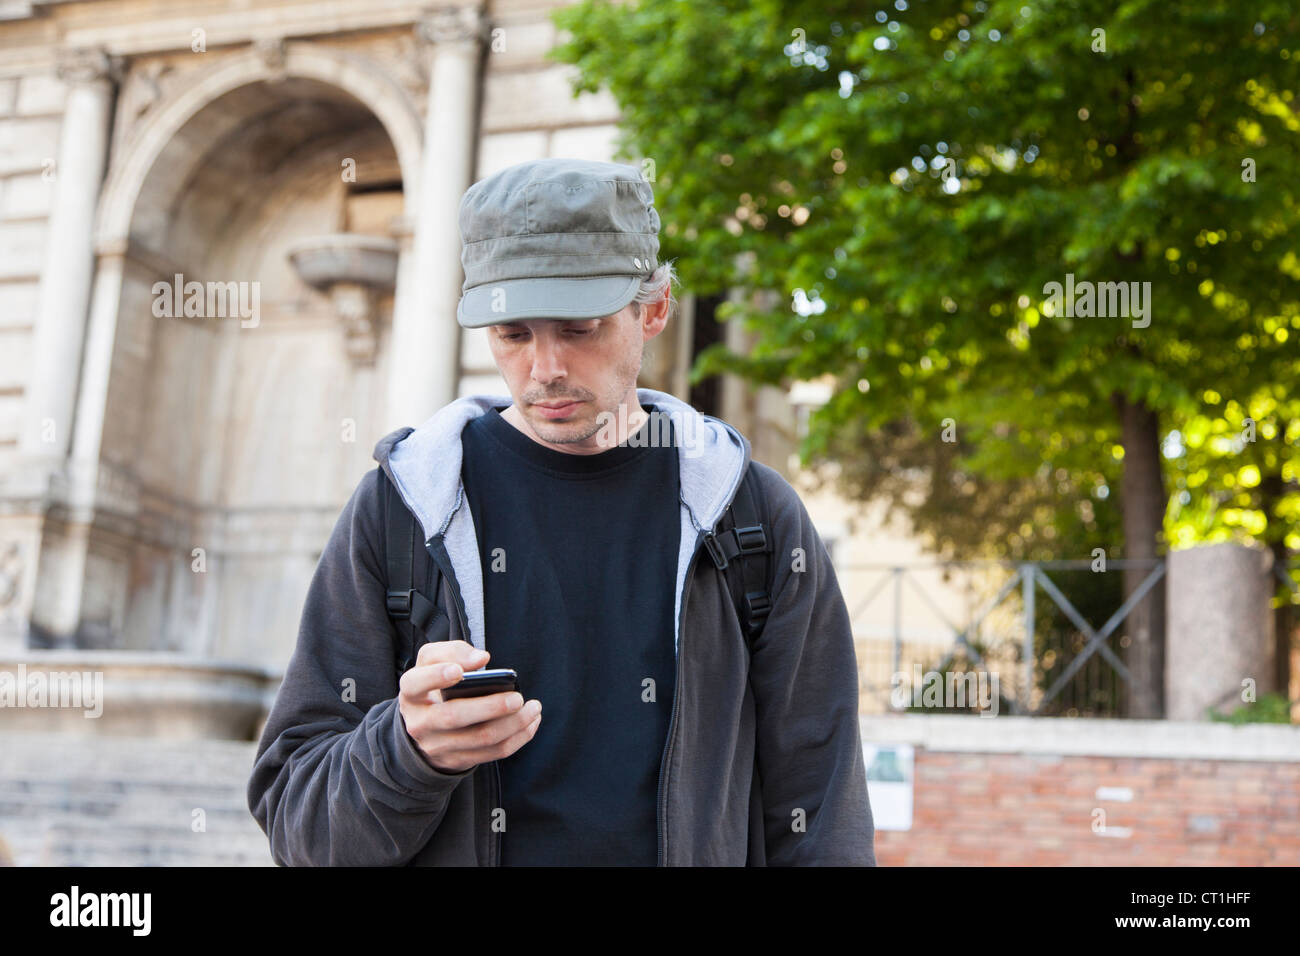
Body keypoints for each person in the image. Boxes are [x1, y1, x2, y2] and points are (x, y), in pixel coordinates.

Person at [247, 158, 875, 865]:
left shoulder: (752, 517)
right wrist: (407, 751)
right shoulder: (400, 510)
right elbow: (297, 823)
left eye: (578, 328)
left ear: (655, 308)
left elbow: (820, 816)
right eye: (513, 334)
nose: (544, 367)